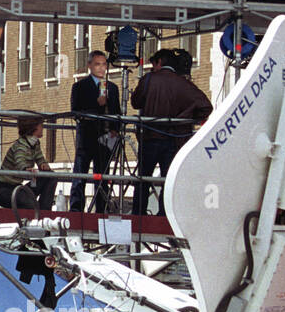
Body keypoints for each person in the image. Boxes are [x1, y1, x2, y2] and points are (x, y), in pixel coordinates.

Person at [130, 50, 213, 217]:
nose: (152, 68)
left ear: (159, 62)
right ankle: (164, 213)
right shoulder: (183, 83)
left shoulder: (148, 79)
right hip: (173, 140)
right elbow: (206, 106)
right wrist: (185, 119)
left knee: (142, 178)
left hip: (149, 137)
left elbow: (135, 102)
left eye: (153, 64)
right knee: (168, 180)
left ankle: (138, 214)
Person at [69, 51, 121, 213]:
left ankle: (102, 207)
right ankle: (77, 207)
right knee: (80, 173)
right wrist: (96, 104)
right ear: (90, 66)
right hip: (86, 136)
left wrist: (115, 130)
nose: (101, 68)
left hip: (104, 137)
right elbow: (76, 111)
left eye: (104, 64)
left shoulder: (112, 88)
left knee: (102, 176)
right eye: (97, 64)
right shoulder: (79, 86)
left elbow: (117, 112)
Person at [0, 115, 56, 212]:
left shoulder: (35, 143)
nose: (43, 128)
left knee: (51, 177)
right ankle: (39, 214)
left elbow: (39, 158)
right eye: (41, 125)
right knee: (29, 202)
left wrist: (43, 164)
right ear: (34, 127)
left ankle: (45, 211)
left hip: (17, 187)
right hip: (5, 190)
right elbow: (20, 160)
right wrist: (25, 169)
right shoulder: (20, 145)